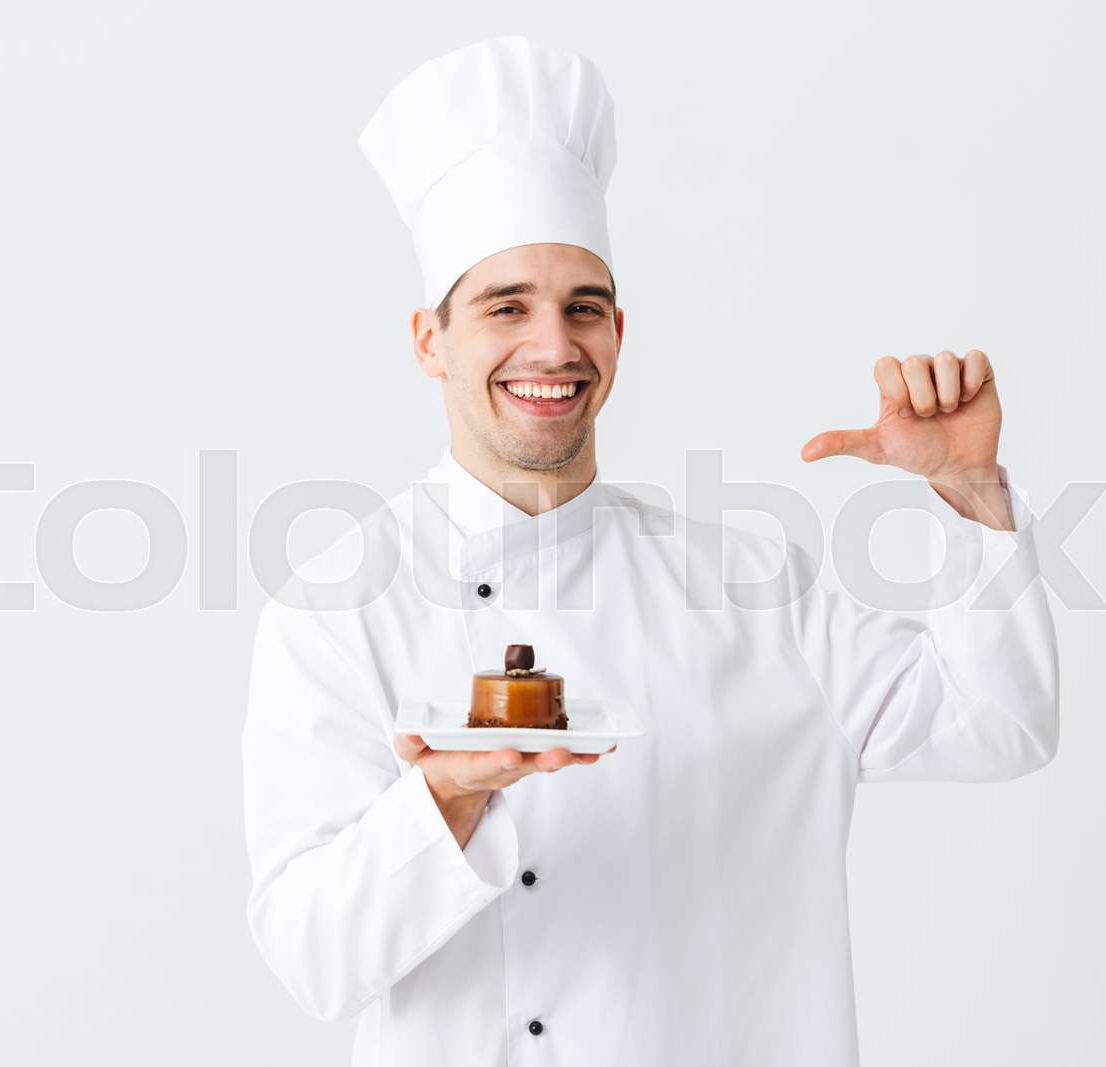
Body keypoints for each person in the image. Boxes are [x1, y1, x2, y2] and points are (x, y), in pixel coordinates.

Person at [241, 34, 1059, 1066]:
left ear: (618, 335)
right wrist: (445, 796)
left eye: (583, 308)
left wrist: (967, 489)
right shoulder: (334, 607)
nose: (552, 345)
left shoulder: (753, 590)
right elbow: (311, 960)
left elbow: (1002, 725)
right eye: (506, 306)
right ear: (427, 340)